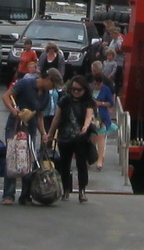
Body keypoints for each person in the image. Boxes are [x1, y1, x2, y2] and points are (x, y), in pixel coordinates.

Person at [1, 68, 64, 205]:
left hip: (31, 129)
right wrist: (13, 110)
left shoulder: (46, 95)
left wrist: (43, 133)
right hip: (16, 126)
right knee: (13, 159)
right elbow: (6, 96)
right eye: (53, 84)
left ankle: (25, 195)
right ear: (48, 79)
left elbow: (40, 115)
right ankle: (8, 194)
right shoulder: (26, 83)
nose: (52, 88)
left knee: (29, 162)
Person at [44, 75, 96, 203]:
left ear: (85, 90)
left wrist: (85, 126)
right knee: (64, 164)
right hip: (65, 136)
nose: (76, 92)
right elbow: (57, 117)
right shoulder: (65, 100)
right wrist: (50, 134)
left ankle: (82, 191)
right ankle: (66, 190)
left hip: (81, 138)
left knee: (81, 164)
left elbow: (89, 115)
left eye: (79, 90)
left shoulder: (88, 101)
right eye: (73, 89)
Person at [90, 76, 116, 170]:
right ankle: (90, 158)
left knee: (101, 137)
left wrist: (101, 104)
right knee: (91, 139)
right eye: (95, 84)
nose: (97, 86)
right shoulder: (90, 89)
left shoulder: (106, 89)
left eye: (99, 84)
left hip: (102, 117)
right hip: (91, 116)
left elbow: (111, 103)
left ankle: (100, 160)